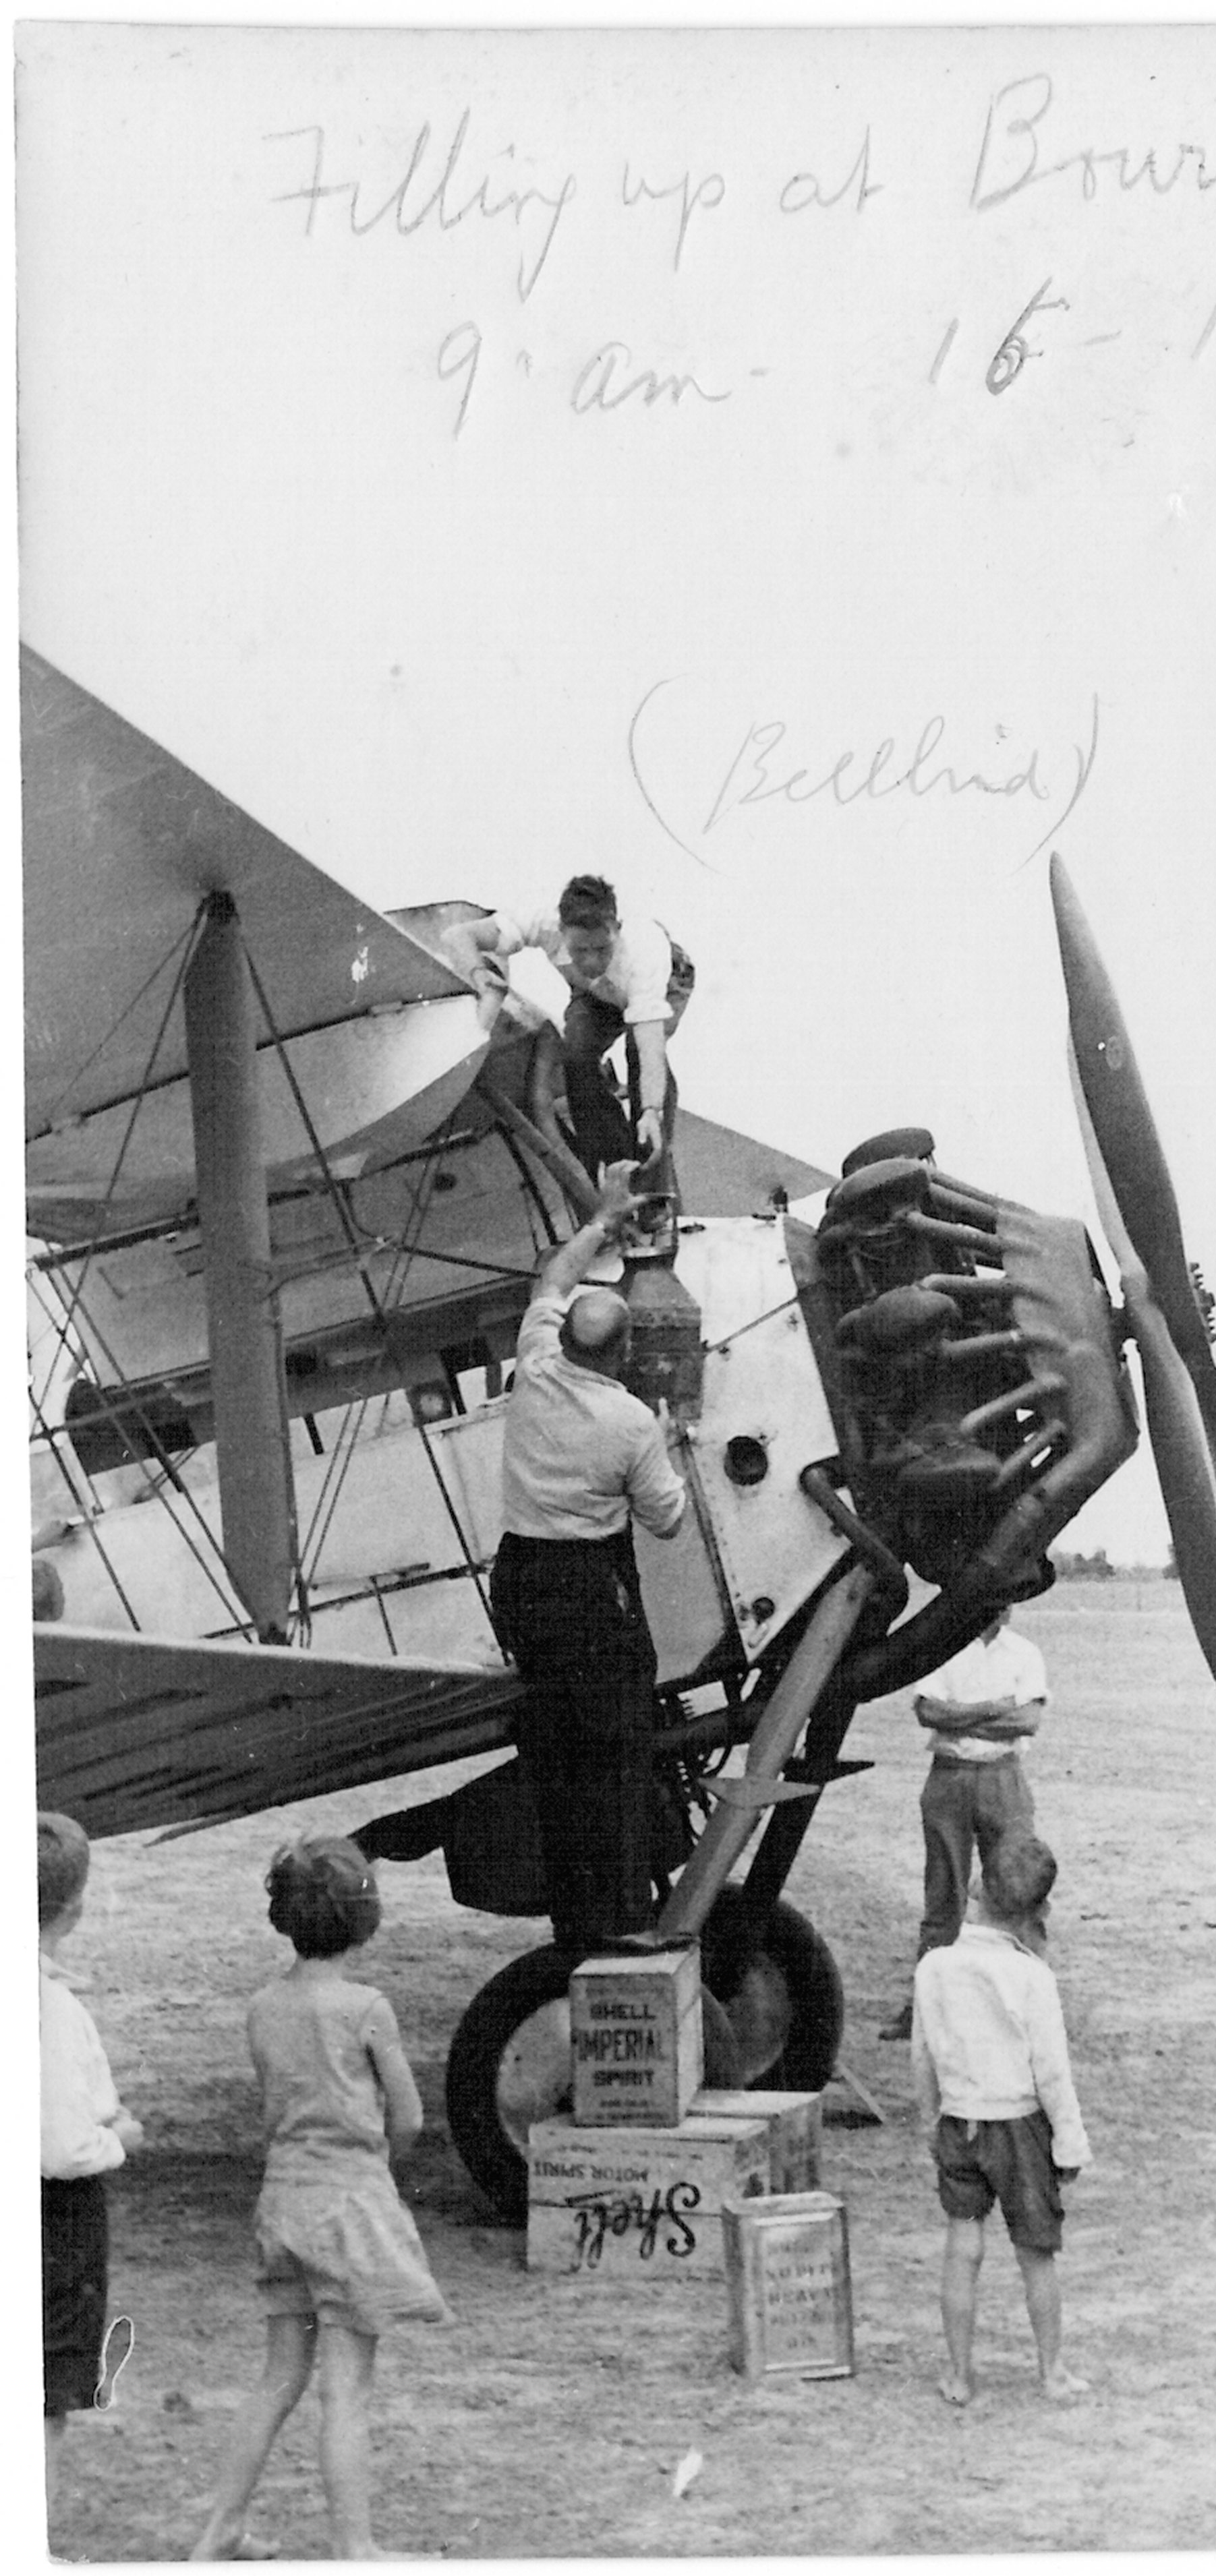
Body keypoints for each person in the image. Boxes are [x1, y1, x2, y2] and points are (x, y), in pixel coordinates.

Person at [190, 1838, 447, 2563]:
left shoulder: (263, 2006)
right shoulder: (368, 2007)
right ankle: (355, 2550)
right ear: (365, 1920)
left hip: (283, 2200)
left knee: (278, 2376)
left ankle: (219, 2529)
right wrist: (379, 2167)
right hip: (348, 2205)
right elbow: (409, 2117)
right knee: (347, 2390)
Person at [490, 1158, 688, 1956]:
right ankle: (624, 1918)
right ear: (624, 1351)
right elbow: (667, 1520)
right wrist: (669, 1443)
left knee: (555, 1755)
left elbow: (554, 1276)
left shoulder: (535, 1363)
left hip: (521, 1583)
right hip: (587, 1592)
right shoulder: (632, 1421)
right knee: (617, 1754)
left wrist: (604, 1222)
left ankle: (574, 1922)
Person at [910, 1830, 1091, 2406]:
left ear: (974, 1888)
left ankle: (960, 2374)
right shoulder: (1032, 1976)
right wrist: (1069, 2143)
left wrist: (930, 2119)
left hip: (959, 2122)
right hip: (1018, 2128)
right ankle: (1052, 2370)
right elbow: (1052, 2071)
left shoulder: (935, 1967)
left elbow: (923, 2053)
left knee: (963, 2244)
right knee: (1035, 2252)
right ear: (1041, 1911)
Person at [443, 874, 694, 1179]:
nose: (591, 961)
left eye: (602, 949)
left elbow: (649, 1048)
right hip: (595, 993)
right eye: (580, 951)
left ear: (616, 929)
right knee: (576, 1052)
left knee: (638, 1057)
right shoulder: (539, 919)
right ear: (561, 932)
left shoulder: (643, 952)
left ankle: (652, 1172)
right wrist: (478, 974)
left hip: (663, 984)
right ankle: (615, 1163)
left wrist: (652, 1110)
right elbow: (457, 935)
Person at [40, 1812, 142, 2519]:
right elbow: (63, 2147)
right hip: (52, 2216)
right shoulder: (51, 2008)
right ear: (73, 1910)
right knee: (42, 2396)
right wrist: (119, 2137)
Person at [879, 1609, 1047, 2040]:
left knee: (1019, 1888)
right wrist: (993, 1709)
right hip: (950, 1777)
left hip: (1004, 1777)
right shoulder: (945, 1650)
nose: (1005, 1606)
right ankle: (925, 2010)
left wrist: (961, 1716)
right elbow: (929, 1712)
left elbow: (1027, 1721)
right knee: (943, 1898)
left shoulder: (1025, 1653)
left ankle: (1027, 2008)